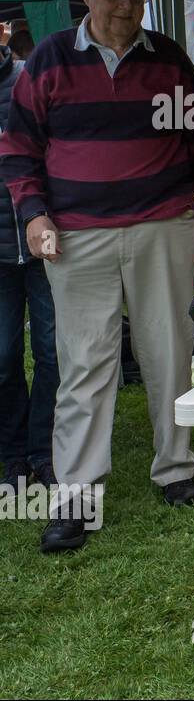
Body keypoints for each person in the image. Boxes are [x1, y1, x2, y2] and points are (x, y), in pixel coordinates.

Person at [0, 0, 194, 552]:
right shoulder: (48, 60)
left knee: (170, 347)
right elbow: (19, 149)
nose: (126, 8)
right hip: (76, 234)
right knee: (84, 363)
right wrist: (32, 214)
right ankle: (76, 497)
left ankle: (175, 468)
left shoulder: (171, 61)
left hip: (164, 225)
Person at [0, 38, 58, 495]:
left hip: (44, 242)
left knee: (53, 352)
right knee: (3, 357)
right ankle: (13, 454)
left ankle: (46, 450)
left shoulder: (29, 80)